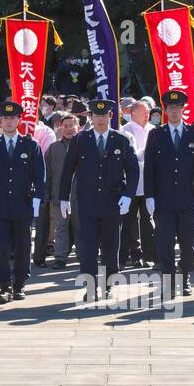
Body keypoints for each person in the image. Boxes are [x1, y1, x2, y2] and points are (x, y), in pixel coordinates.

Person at [59, 98, 138, 301]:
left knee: (111, 245)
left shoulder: (121, 139)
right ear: (91, 117)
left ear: (111, 116)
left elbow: (133, 170)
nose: (101, 119)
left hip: (113, 201)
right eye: (97, 115)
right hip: (86, 202)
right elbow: (68, 170)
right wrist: (63, 197)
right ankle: (91, 286)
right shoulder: (80, 140)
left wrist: (129, 195)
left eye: (104, 115)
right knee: (87, 246)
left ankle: (109, 284)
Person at [143, 89, 194, 296]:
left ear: (183, 109)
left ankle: (185, 276)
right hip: (163, 199)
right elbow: (150, 168)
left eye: (177, 107)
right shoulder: (156, 134)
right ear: (165, 110)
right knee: (164, 242)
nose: (174, 111)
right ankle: (169, 280)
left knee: (189, 244)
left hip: (187, 198)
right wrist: (149, 196)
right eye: (170, 108)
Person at [0, 100, 45, 303]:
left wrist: (36, 199)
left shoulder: (30, 144)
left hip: (22, 203)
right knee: (1, 247)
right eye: (5, 118)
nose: (9, 122)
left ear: (19, 120)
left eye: (12, 118)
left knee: (23, 246)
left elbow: (39, 175)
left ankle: (19, 285)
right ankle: (4, 286)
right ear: (0, 121)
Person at [119, 100, 156, 270]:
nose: (147, 115)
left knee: (148, 220)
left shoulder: (153, 129)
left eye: (148, 112)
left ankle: (149, 254)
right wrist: (146, 154)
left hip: (149, 182)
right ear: (133, 114)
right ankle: (133, 254)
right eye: (144, 112)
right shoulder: (124, 131)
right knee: (129, 221)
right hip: (130, 183)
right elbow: (131, 157)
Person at [43, 112, 78, 269]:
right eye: (65, 126)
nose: (69, 129)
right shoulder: (53, 148)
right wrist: (47, 195)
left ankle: (84, 256)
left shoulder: (84, 144)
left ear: (77, 127)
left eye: (72, 126)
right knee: (60, 228)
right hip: (58, 195)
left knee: (81, 228)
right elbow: (48, 174)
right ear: (60, 128)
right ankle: (61, 258)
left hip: (81, 197)